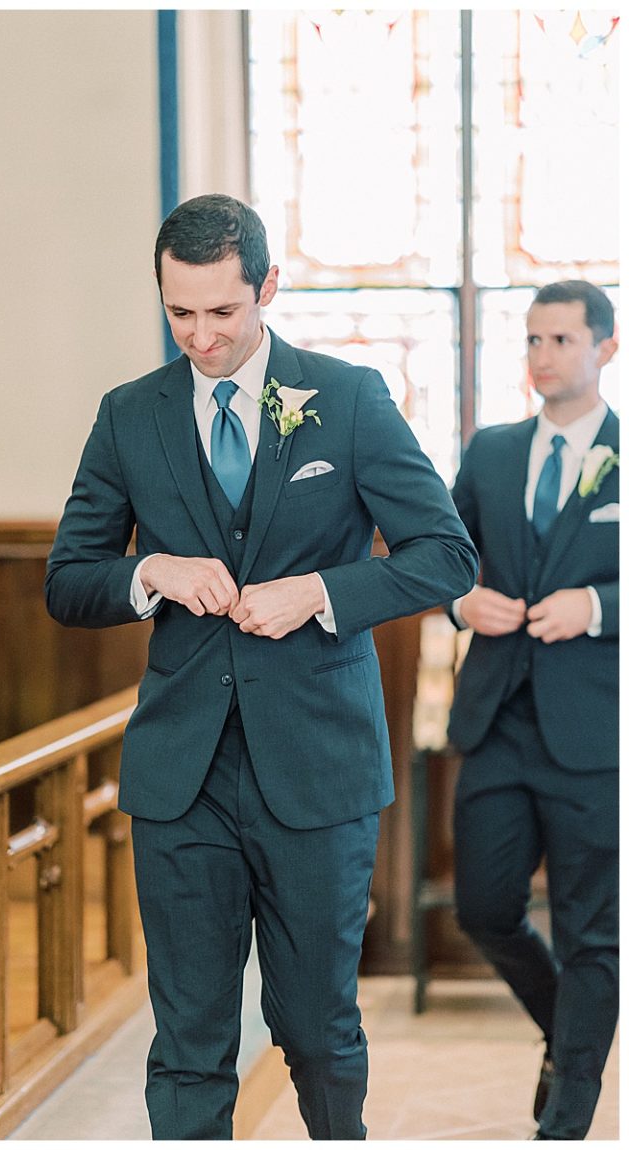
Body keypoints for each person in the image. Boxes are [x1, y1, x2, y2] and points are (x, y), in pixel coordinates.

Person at [45, 194, 477, 1139]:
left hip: (317, 771)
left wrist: (318, 592)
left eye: (223, 312)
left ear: (268, 288)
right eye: (179, 313)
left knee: (316, 1030)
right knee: (190, 1044)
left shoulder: (350, 397)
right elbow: (68, 582)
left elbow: (447, 556)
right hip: (181, 778)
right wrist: (149, 571)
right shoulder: (128, 417)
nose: (200, 337)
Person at [446, 280, 618, 1141]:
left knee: (594, 931)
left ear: (605, 351)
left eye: (560, 340)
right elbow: (439, 555)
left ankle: (568, 1123)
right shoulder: (492, 451)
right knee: (483, 906)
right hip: (498, 719)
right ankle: (572, 1030)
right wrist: (458, 605)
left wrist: (599, 608)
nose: (542, 356)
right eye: (532, 340)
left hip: (596, 730)